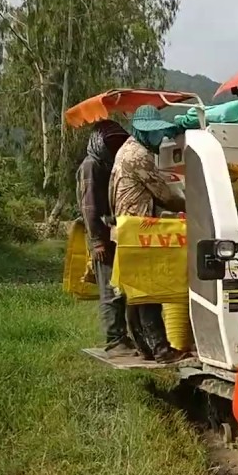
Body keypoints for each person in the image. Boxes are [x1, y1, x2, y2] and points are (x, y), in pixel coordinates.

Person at [108, 104, 189, 364]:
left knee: (135, 291)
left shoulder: (124, 151)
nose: (159, 139)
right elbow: (164, 194)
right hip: (139, 228)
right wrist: (195, 202)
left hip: (126, 226)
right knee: (149, 291)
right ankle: (162, 349)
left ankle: (145, 347)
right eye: (155, 134)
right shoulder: (139, 155)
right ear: (142, 132)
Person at [75, 119, 135, 355]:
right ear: (98, 143)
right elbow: (89, 207)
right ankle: (115, 340)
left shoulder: (106, 165)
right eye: (111, 144)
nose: (115, 148)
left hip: (113, 233)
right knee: (110, 290)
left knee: (120, 288)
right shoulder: (92, 166)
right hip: (102, 235)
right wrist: (97, 241)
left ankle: (122, 337)